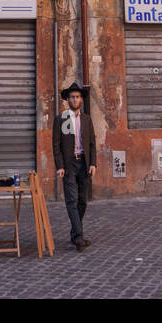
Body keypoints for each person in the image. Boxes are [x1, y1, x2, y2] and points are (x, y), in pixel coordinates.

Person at [53, 81, 96, 252]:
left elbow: (92, 143)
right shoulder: (62, 119)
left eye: (77, 97)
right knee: (71, 201)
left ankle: (74, 233)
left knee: (82, 201)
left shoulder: (86, 119)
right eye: (72, 97)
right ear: (67, 99)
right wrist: (60, 165)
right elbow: (56, 145)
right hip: (69, 165)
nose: (75, 99)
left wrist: (93, 163)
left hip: (84, 164)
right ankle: (78, 236)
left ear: (81, 100)